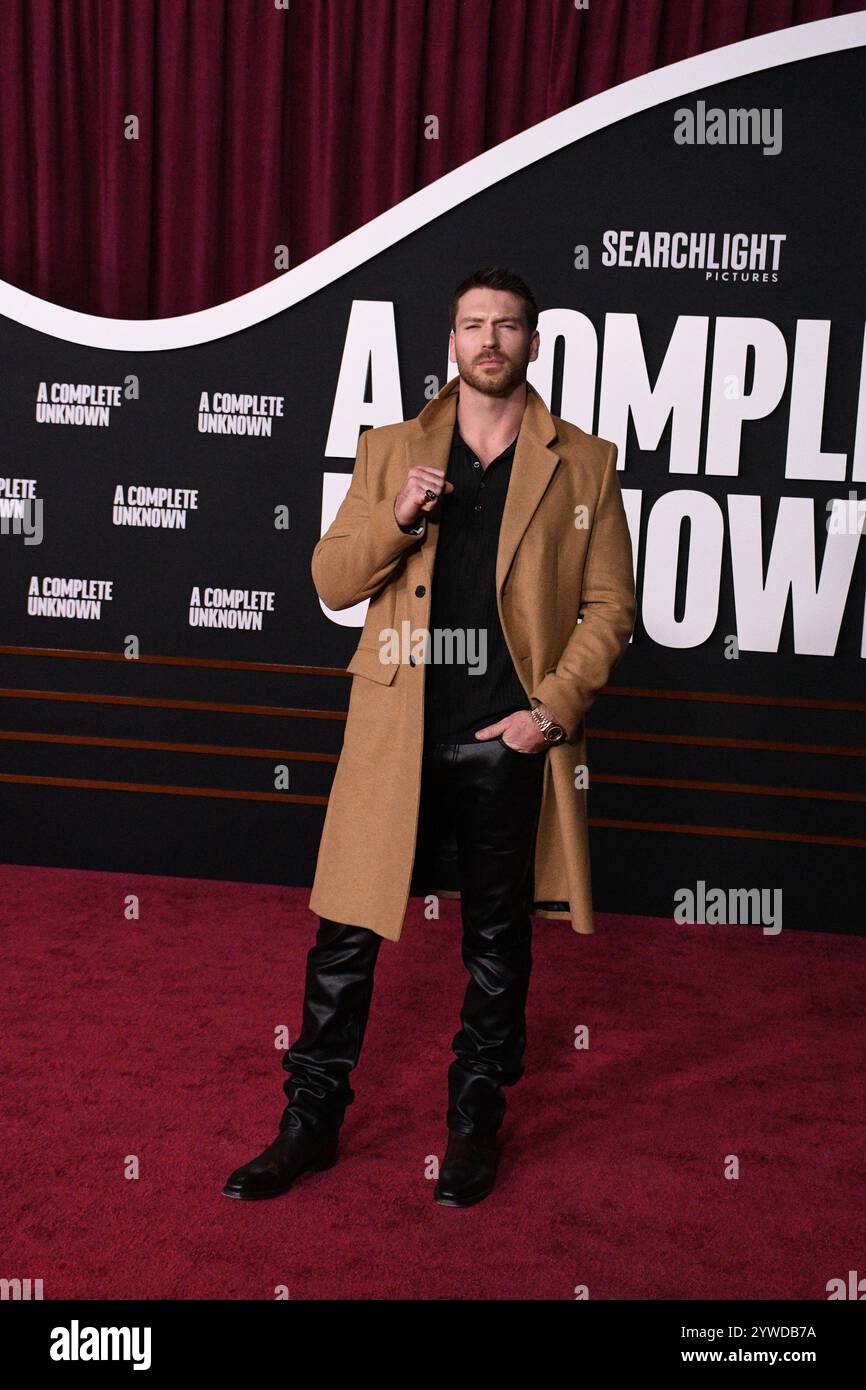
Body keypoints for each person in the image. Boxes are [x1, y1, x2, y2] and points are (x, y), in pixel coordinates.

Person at [223, 266, 636, 1207]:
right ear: (450, 343)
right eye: (471, 326)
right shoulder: (390, 449)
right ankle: (310, 1125)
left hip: (507, 743)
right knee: (343, 939)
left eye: (508, 326)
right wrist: (398, 518)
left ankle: (473, 1124)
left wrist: (546, 715)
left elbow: (611, 607)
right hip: (396, 735)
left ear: (535, 343)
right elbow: (331, 579)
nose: (489, 341)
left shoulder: (585, 462)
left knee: (496, 946)